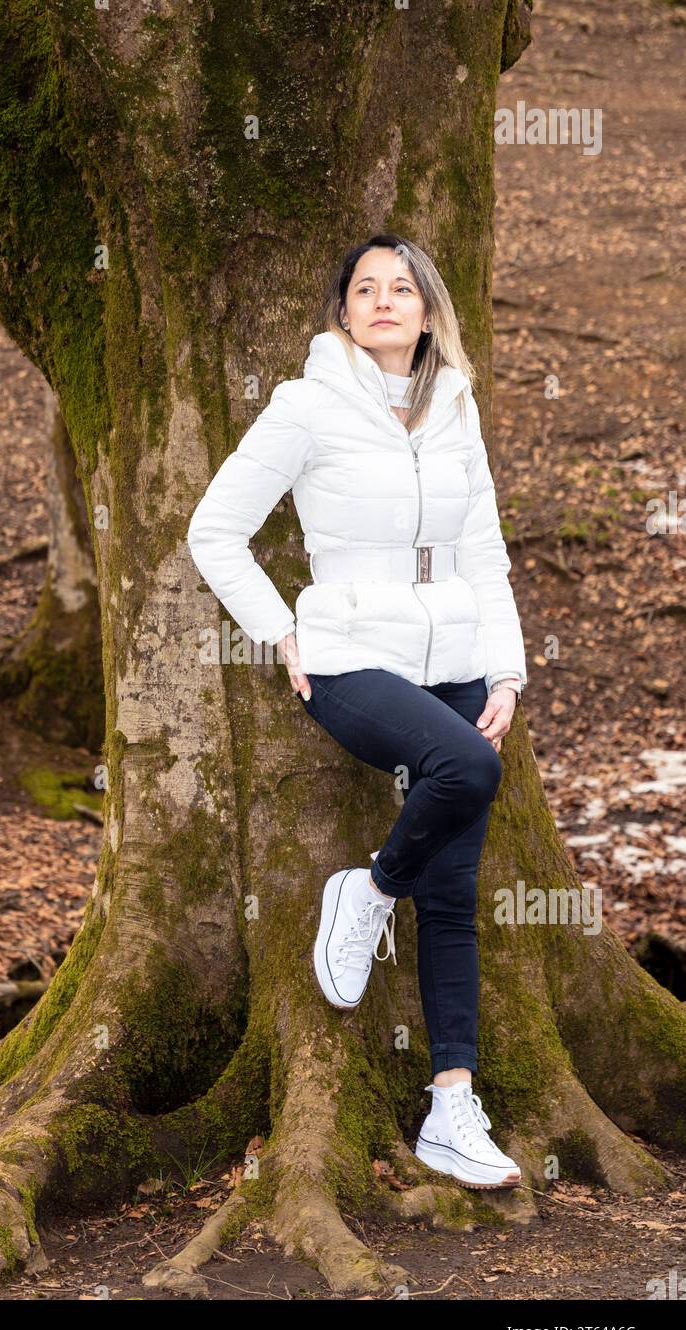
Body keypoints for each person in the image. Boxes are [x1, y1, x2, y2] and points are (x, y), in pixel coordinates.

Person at [186, 233, 526, 1191]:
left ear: (428, 312)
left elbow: (486, 554)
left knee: (454, 898)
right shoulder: (305, 407)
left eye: (404, 288)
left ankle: (450, 1109)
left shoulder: (455, 407)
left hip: (458, 654)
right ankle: (370, 892)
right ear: (343, 313)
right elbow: (215, 529)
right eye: (366, 289)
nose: (385, 301)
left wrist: (504, 674)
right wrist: (281, 633)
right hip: (348, 652)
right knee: (471, 769)